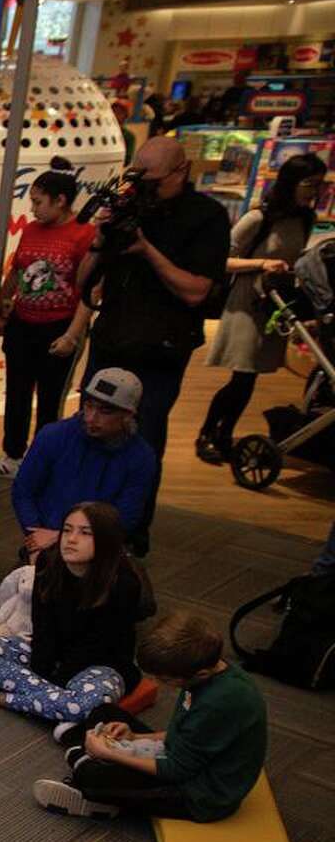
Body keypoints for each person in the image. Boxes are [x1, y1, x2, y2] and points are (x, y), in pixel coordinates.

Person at [74, 135, 231, 554]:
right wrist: (102, 237)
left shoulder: (206, 217)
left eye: (153, 180)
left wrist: (147, 250)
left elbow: (197, 291)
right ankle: (77, 523)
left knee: (142, 440)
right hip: (112, 339)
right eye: (138, 177)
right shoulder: (129, 209)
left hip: (160, 348)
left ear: (181, 171)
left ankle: (129, 535)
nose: (144, 187)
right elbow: (83, 284)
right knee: (86, 429)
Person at [33, 611, 267, 821]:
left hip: (199, 794)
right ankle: (84, 752)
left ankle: (84, 767)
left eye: (164, 679)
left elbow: (177, 770)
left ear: (201, 673)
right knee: (104, 712)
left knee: (93, 778)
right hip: (185, 755)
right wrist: (133, 737)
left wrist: (110, 754)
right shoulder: (209, 669)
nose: (156, 683)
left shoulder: (219, 704)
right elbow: (184, 733)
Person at [0, 501, 148, 721]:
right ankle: (54, 706)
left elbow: (100, 646)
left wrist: (57, 679)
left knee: (84, 705)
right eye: (67, 530)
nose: (71, 539)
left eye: (85, 533)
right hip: (50, 656)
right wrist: (42, 673)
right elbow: (42, 626)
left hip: (100, 665)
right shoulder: (48, 562)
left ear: (105, 540)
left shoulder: (124, 583)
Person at [195, 153, 328, 462]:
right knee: (242, 375)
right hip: (246, 303)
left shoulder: (305, 219)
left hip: (275, 306)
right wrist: (262, 263)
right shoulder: (259, 218)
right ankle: (211, 433)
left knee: (248, 378)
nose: (313, 191)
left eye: (318, 185)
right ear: (291, 182)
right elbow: (220, 259)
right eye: (309, 183)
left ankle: (222, 433)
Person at [0, 158, 97, 473]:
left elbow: (91, 291)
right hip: (23, 324)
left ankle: (42, 462)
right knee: (18, 394)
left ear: (60, 200)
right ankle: (12, 457)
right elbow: (17, 271)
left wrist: (72, 335)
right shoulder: (33, 229)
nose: (33, 208)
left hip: (59, 326)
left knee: (50, 401)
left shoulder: (83, 234)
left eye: (38, 202)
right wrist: (2, 304)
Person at [10, 367, 157, 561]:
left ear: (128, 414)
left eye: (105, 411)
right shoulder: (54, 435)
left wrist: (62, 537)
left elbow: (125, 517)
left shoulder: (141, 457)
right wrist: (35, 538)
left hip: (98, 546)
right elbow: (23, 491)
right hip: (43, 540)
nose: (91, 418)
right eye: (89, 405)